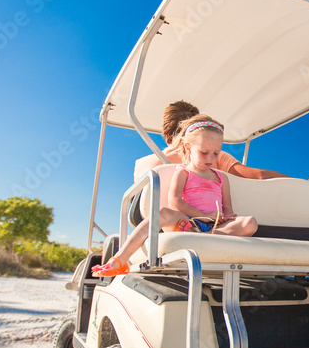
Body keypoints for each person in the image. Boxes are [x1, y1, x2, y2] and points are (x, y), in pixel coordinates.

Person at [93, 115, 258, 277]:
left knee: (250, 223)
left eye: (216, 153)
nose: (211, 158)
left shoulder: (222, 178)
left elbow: (227, 207)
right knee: (164, 212)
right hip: (187, 221)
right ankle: (119, 260)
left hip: (215, 228)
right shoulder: (183, 172)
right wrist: (204, 216)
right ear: (188, 148)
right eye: (204, 152)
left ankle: (203, 237)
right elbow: (175, 201)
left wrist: (226, 216)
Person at [133, 100, 286, 181]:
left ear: (165, 131)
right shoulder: (213, 155)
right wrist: (301, 183)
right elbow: (260, 176)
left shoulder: (141, 165)